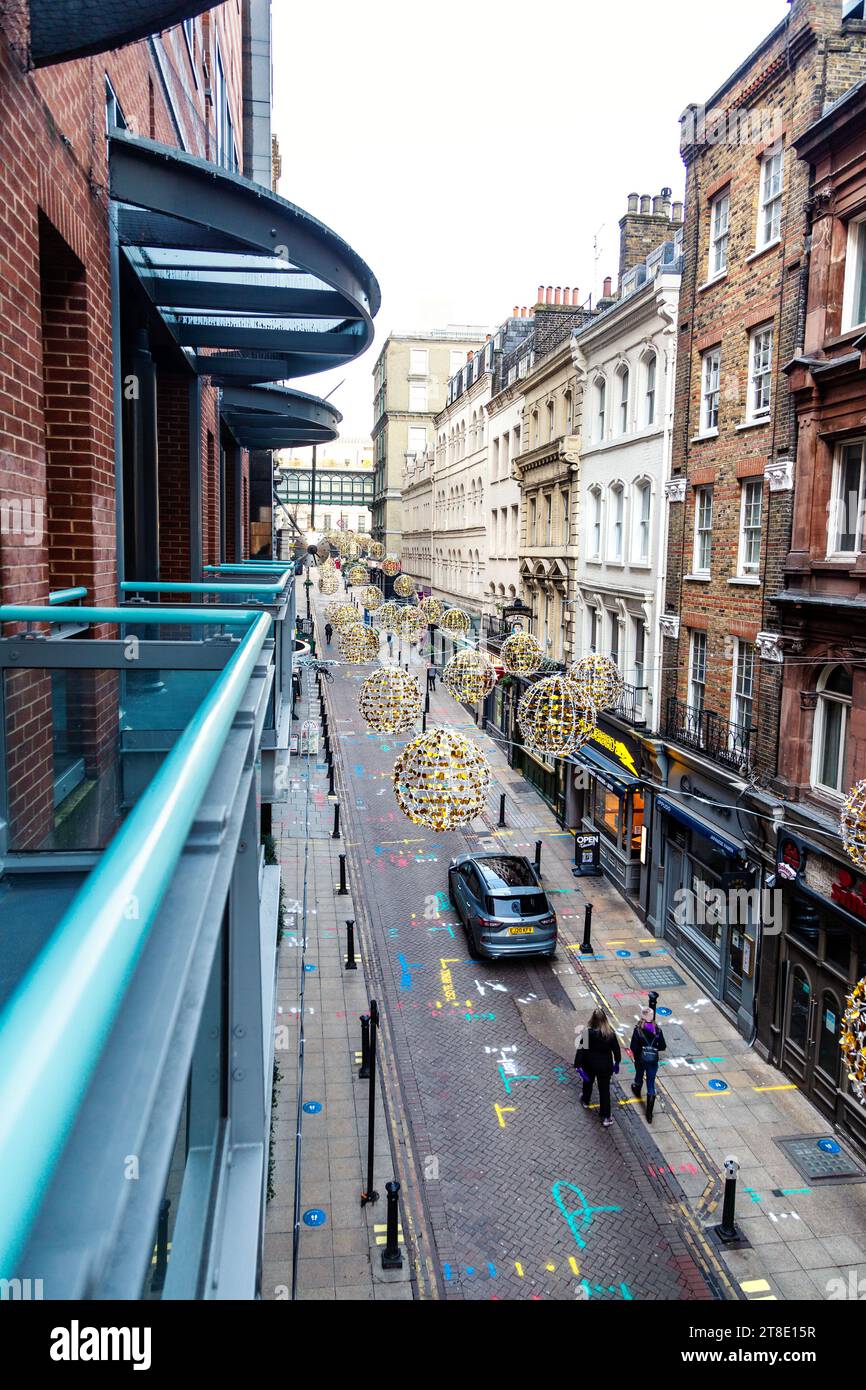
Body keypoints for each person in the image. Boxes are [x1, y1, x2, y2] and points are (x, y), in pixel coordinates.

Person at [574, 1007, 621, 1128]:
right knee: (604, 1091)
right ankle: (606, 1116)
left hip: (589, 1064)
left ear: (593, 1019)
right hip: (605, 1066)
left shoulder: (587, 1033)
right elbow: (616, 1050)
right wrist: (617, 1063)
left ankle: (585, 1100)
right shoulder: (610, 1034)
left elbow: (581, 1050)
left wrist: (578, 1065)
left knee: (588, 1083)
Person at [630, 1007, 666, 1124]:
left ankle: (637, 1087)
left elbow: (633, 1047)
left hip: (641, 1059)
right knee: (651, 1083)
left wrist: (638, 1053)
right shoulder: (658, 1030)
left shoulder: (638, 1030)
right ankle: (649, 1114)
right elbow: (662, 1046)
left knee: (639, 1074)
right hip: (652, 1060)